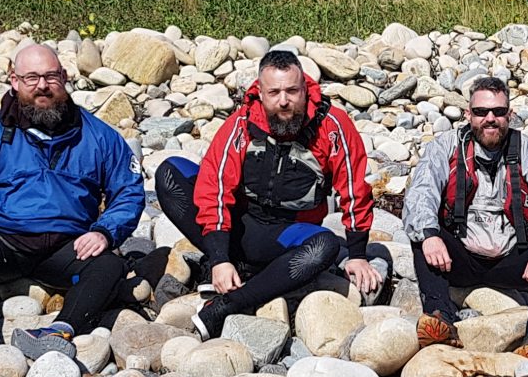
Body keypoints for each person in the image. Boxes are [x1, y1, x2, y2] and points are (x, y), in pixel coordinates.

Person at [0, 43, 144, 359]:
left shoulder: (99, 136)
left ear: (65, 77)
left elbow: (128, 190)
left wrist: (104, 231)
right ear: (14, 81)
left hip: (67, 246)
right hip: (4, 241)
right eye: (31, 78)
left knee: (110, 265)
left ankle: (59, 330)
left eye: (50, 77)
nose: (42, 86)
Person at [154, 48, 380, 339]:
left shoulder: (332, 126)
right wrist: (220, 257)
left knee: (326, 245)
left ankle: (230, 302)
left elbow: (355, 189)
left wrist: (359, 254)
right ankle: (227, 268)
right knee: (169, 173)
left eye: (292, 91)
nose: (284, 101)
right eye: (274, 93)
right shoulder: (241, 124)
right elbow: (215, 187)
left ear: (305, 89)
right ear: (260, 93)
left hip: (284, 238)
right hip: (239, 227)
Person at [402, 76, 528, 357]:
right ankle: (441, 319)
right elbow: (421, 194)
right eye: (481, 112)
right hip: (459, 258)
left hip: (514, 259)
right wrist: (429, 235)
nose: (490, 119)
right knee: (423, 241)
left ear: (509, 115)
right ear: (467, 114)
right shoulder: (445, 148)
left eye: (498, 112)